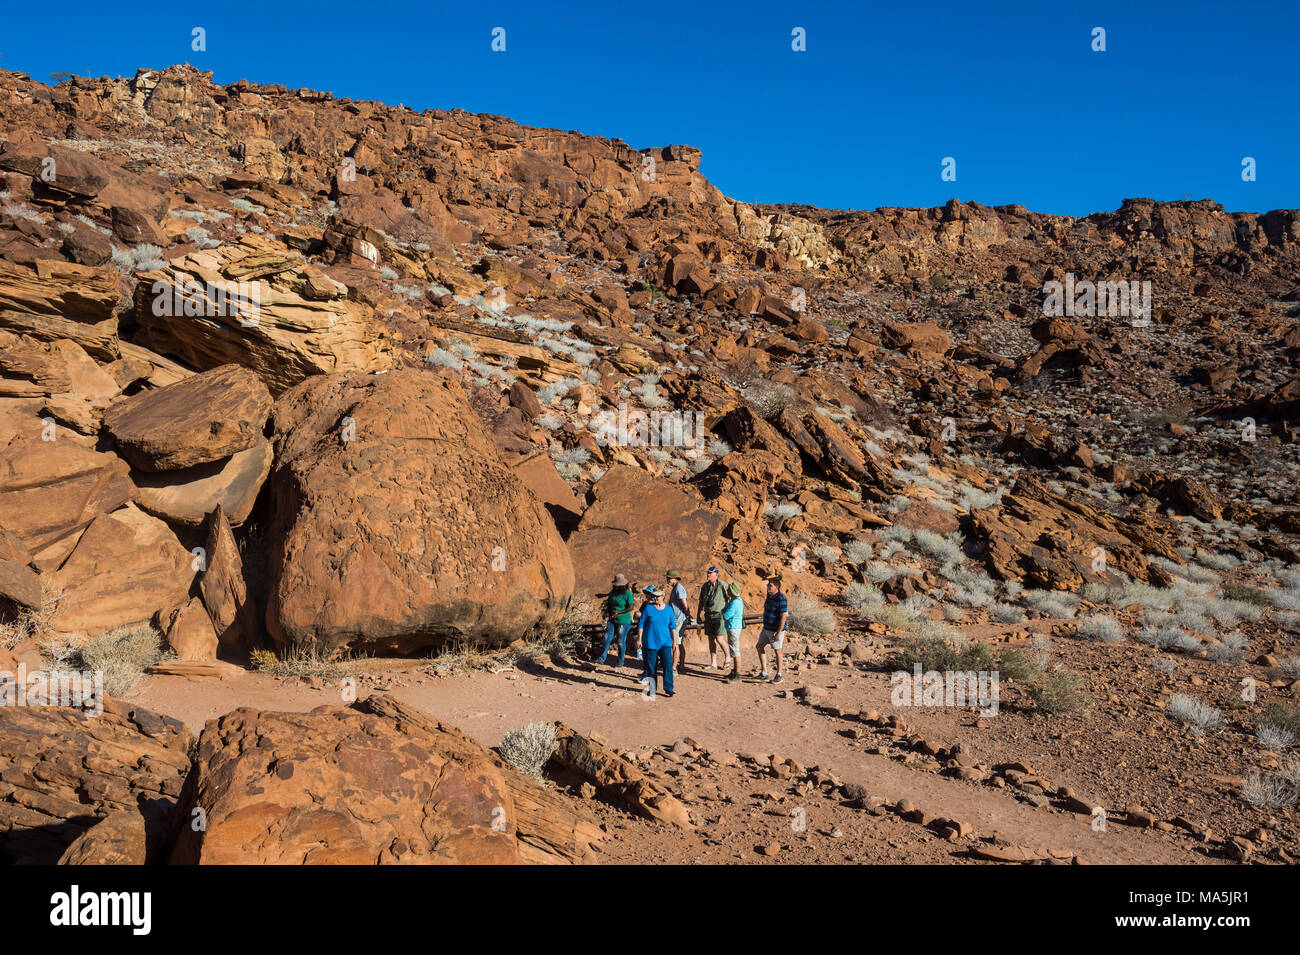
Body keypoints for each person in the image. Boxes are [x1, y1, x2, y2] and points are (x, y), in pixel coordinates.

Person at [636, 585, 677, 698]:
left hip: (665, 642)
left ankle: (669, 688)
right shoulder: (648, 608)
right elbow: (641, 624)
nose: (655, 598)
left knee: (668, 665)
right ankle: (652, 689)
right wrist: (639, 639)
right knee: (651, 667)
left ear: (663, 596)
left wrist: (675, 642)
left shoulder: (669, 609)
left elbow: (673, 627)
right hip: (650, 642)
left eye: (658, 596)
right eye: (654, 596)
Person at [596, 573, 635, 667]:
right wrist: (609, 614)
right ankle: (601, 659)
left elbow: (631, 607)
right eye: (616, 585)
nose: (617, 587)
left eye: (619, 585)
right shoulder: (613, 592)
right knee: (607, 638)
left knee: (620, 641)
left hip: (624, 621)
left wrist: (618, 613)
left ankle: (620, 661)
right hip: (612, 620)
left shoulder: (627, 593)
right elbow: (609, 603)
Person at [756, 576, 788, 684]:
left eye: (770, 585)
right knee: (759, 646)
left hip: (775, 630)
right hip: (766, 628)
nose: (768, 587)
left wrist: (778, 633)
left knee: (777, 651)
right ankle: (764, 673)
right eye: (768, 585)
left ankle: (779, 675)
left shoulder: (781, 598)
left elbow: (783, 616)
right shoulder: (769, 596)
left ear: (776, 587)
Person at [696, 565, 727, 674]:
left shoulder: (722, 585)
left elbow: (730, 598)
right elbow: (701, 602)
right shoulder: (705, 586)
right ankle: (713, 662)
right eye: (708, 572)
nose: (708, 574)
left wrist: (727, 613)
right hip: (708, 615)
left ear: (716, 575)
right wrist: (698, 614)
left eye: (710, 573)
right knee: (711, 639)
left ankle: (728, 658)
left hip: (719, 615)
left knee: (719, 639)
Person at [665, 570, 690, 671]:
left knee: (675, 644)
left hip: (678, 620)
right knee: (679, 643)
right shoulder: (676, 588)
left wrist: (687, 615)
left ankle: (674, 667)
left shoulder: (679, 588)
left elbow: (684, 603)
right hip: (677, 619)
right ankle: (681, 665)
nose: (667, 580)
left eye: (669, 578)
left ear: (675, 579)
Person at [721, 580, 744, 682]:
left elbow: (725, 615)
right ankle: (734, 672)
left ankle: (737, 675)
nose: (727, 591)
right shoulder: (736, 600)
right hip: (733, 627)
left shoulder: (734, 603)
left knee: (735, 651)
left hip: (733, 628)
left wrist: (723, 613)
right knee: (734, 650)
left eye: (729, 590)